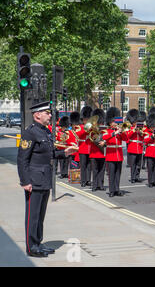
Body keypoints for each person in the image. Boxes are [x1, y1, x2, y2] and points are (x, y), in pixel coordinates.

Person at [17, 101, 78, 257]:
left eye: (50, 113)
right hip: (34, 180)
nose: (50, 115)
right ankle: (31, 247)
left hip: (45, 179)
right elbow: (22, 159)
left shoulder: (46, 132)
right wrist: (25, 181)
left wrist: (65, 153)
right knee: (33, 215)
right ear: (37, 115)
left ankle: (38, 242)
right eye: (47, 113)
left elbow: (49, 154)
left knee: (40, 215)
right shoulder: (30, 133)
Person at [103, 107, 128, 197]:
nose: (115, 123)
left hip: (119, 155)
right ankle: (111, 190)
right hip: (111, 154)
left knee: (118, 173)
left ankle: (117, 189)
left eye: (115, 121)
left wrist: (121, 131)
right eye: (113, 121)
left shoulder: (119, 131)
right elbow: (105, 137)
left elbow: (126, 139)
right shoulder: (106, 131)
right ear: (109, 122)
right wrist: (115, 133)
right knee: (111, 174)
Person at [89, 109, 107, 192]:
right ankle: (95, 185)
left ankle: (101, 184)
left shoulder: (104, 130)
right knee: (95, 170)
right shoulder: (91, 130)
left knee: (102, 170)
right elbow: (90, 139)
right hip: (94, 152)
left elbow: (107, 139)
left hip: (102, 152)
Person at [125, 109, 145, 183]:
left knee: (138, 164)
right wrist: (133, 130)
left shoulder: (140, 129)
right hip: (132, 148)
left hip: (139, 148)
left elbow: (143, 138)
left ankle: (137, 176)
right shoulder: (129, 128)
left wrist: (140, 132)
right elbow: (127, 136)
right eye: (135, 121)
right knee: (133, 164)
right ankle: (133, 177)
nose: (136, 122)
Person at [143, 113, 155, 187]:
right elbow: (146, 140)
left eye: (154, 126)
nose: (153, 128)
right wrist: (152, 136)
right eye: (152, 127)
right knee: (150, 168)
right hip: (150, 152)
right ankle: (150, 182)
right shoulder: (146, 132)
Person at [77, 106, 93, 187]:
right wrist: (85, 129)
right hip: (83, 147)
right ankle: (83, 180)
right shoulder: (79, 127)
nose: (86, 120)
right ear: (83, 120)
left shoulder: (92, 126)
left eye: (87, 119)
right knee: (83, 165)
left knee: (89, 165)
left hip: (89, 147)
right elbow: (78, 134)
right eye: (85, 119)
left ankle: (88, 180)